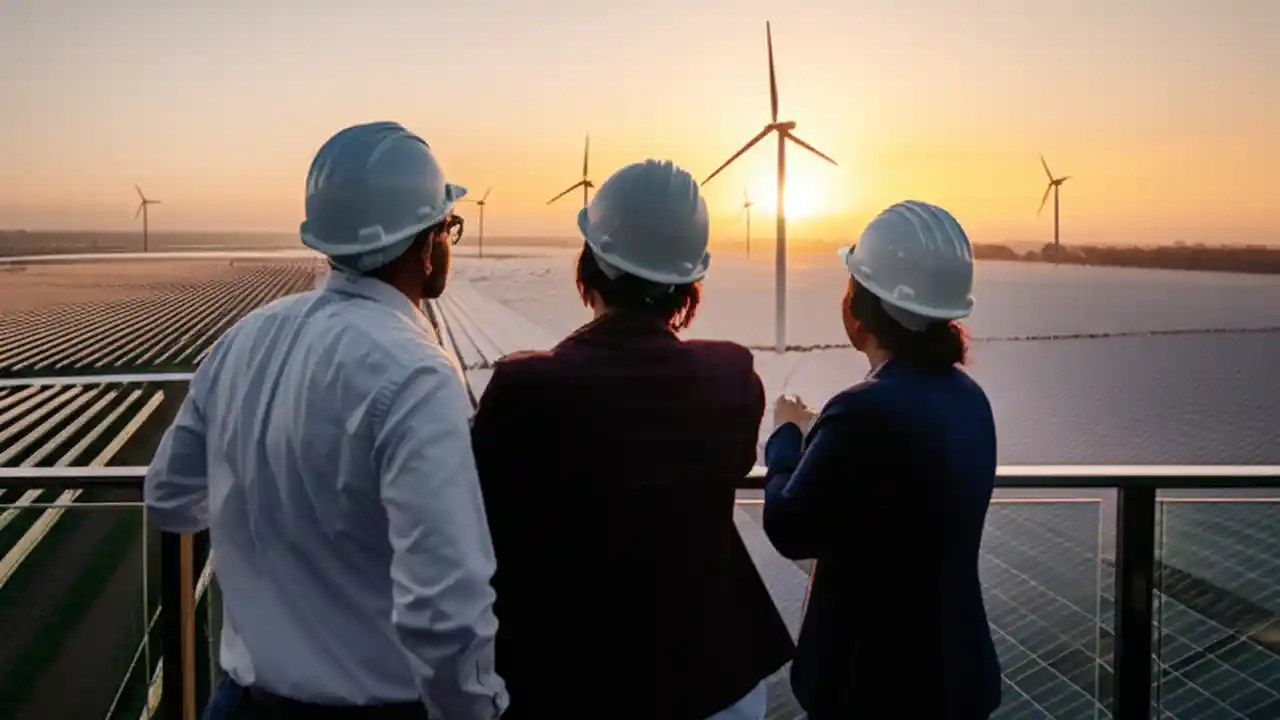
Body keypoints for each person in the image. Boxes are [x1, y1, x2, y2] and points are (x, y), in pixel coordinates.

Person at [145, 121, 508, 720]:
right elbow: (444, 608)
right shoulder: (419, 377)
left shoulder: (243, 338)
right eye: (448, 226)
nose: (449, 241)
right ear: (424, 244)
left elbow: (169, 499)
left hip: (239, 702)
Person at [471, 160, 794, 719]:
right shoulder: (731, 376)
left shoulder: (524, 390)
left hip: (571, 683)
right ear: (690, 284)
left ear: (588, 266)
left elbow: (485, 523)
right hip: (712, 681)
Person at [762, 201, 1002, 719]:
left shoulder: (864, 409)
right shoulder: (970, 399)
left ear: (859, 309)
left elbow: (789, 526)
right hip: (958, 674)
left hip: (874, 688)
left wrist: (785, 436)